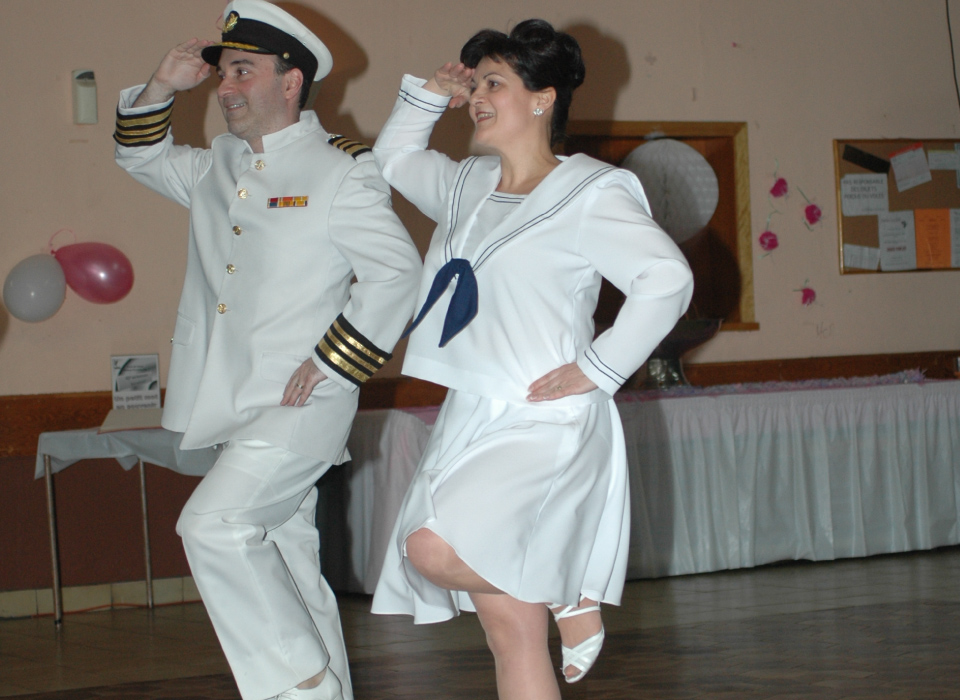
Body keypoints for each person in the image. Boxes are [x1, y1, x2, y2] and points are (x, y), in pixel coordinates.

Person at [370, 18, 694, 700]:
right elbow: (395, 160)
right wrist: (430, 96)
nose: (480, 96)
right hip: (473, 413)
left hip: (546, 417)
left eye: (496, 82)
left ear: (543, 98)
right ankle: (557, 593)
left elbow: (666, 280)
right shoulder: (466, 185)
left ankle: (568, 591)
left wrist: (602, 369)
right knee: (507, 633)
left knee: (433, 550)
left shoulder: (590, 192)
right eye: (477, 82)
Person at [113, 2, 421, 699]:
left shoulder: (342, 171)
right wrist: (162, 83)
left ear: (291, 81)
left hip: (301, 406)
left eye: (242, 72)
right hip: (232, 405)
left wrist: (334, 359)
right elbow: (138, 152)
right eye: (222, 73)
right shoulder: (216, 165)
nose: (224, 88)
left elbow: (399, 272)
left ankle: (296, 681)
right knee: (287, 558)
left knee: (213, 528)